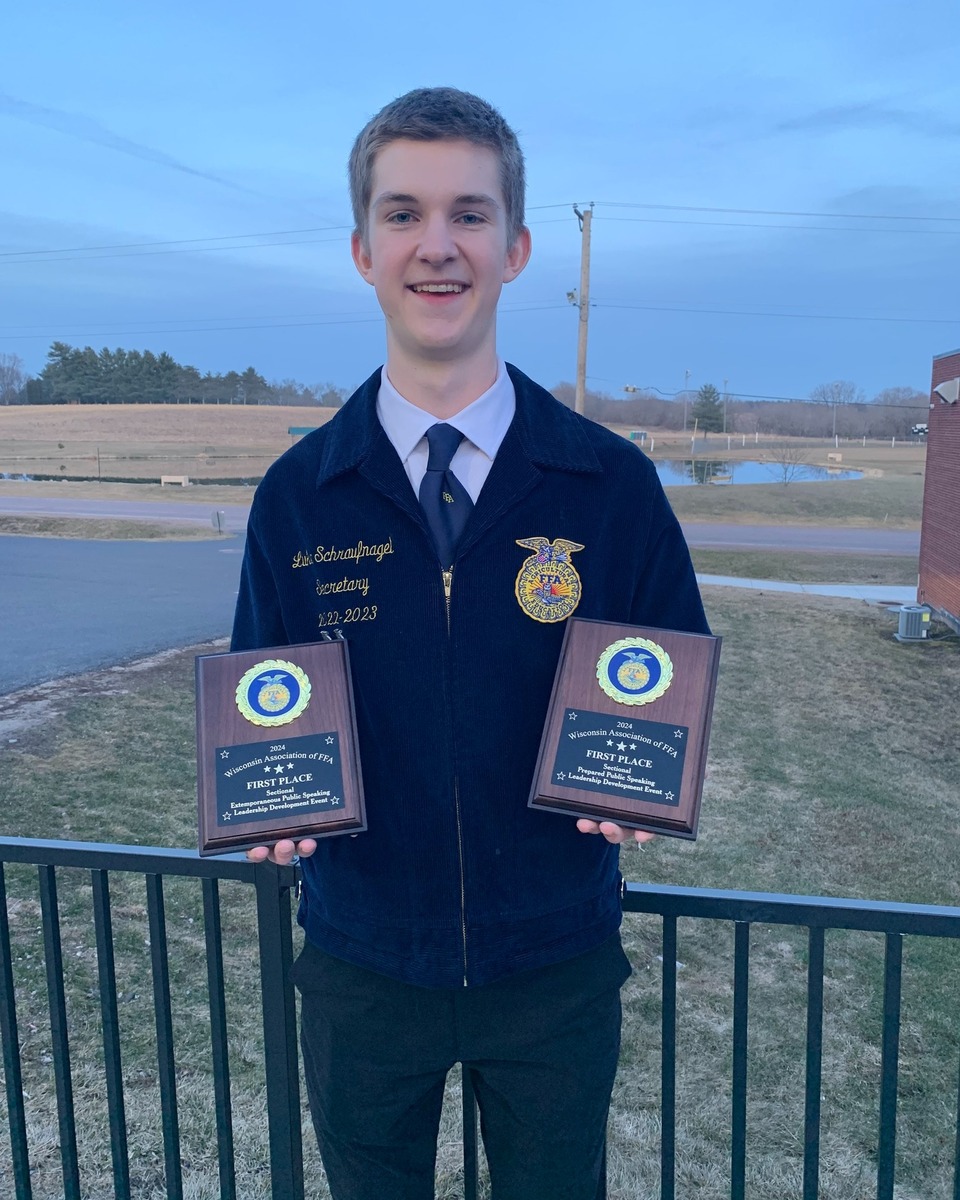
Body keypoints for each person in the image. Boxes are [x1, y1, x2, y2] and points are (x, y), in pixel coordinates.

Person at [231, 86, 709, 1200]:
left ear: (518, 247)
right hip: (360, 965)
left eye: (469, 215)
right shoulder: (299, 495)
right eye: (402, 214)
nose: (435, 246)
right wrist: (266, 807)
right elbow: (261, 697)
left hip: (553, 965)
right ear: (361, 250)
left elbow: (666, 682)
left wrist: (648, 782)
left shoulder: (614, 486)